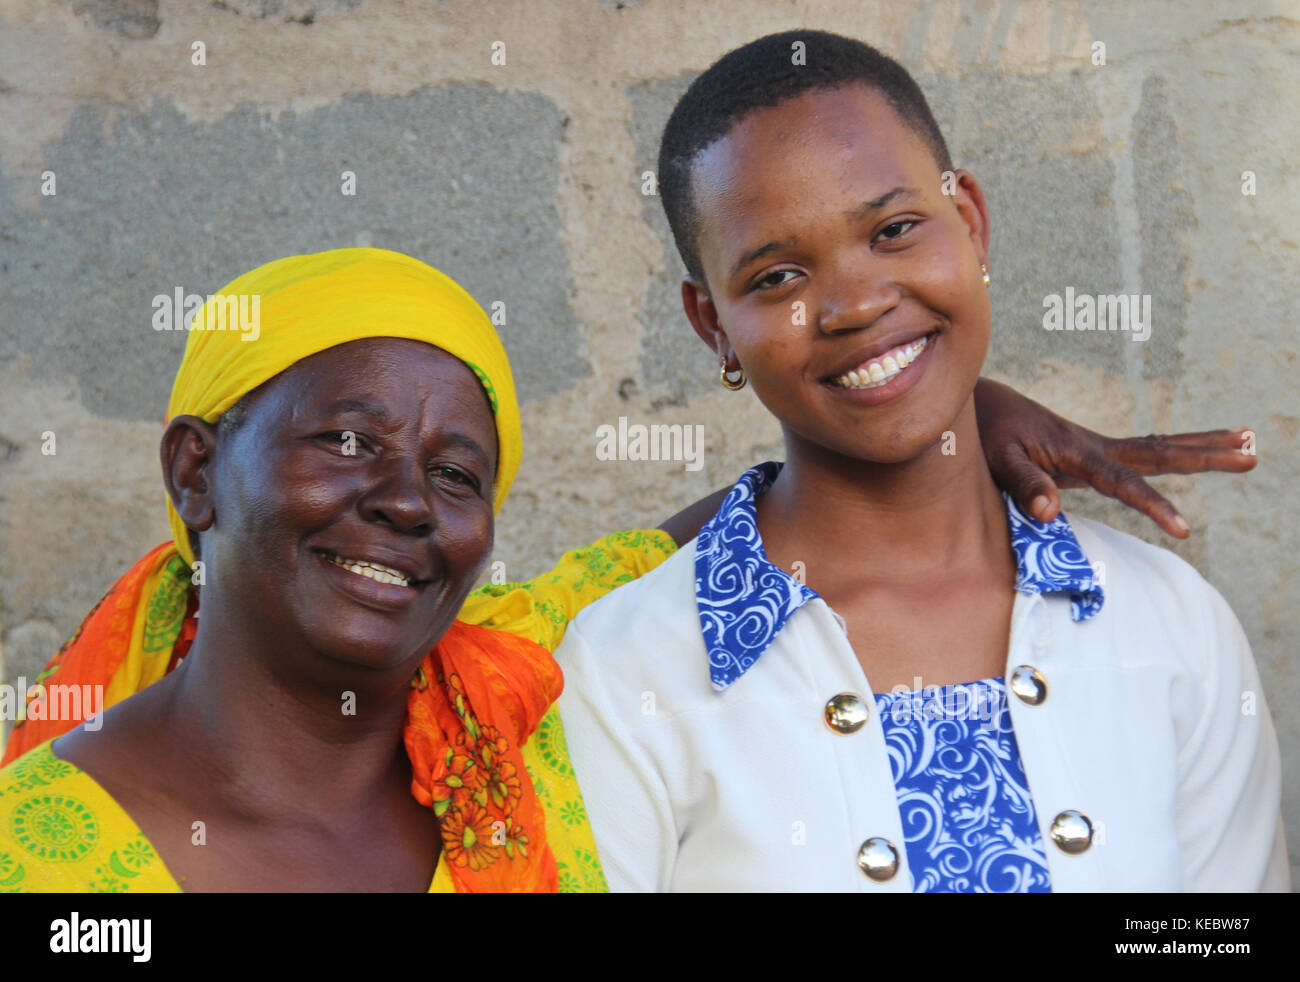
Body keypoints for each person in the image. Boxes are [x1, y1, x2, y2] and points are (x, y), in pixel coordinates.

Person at [554, 30, 1288, 892]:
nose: (857, 304)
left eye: (895, 229)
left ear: (969, 223)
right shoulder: (622, 673)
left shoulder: (1170, 624)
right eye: (778, 278)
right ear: (713, 324)